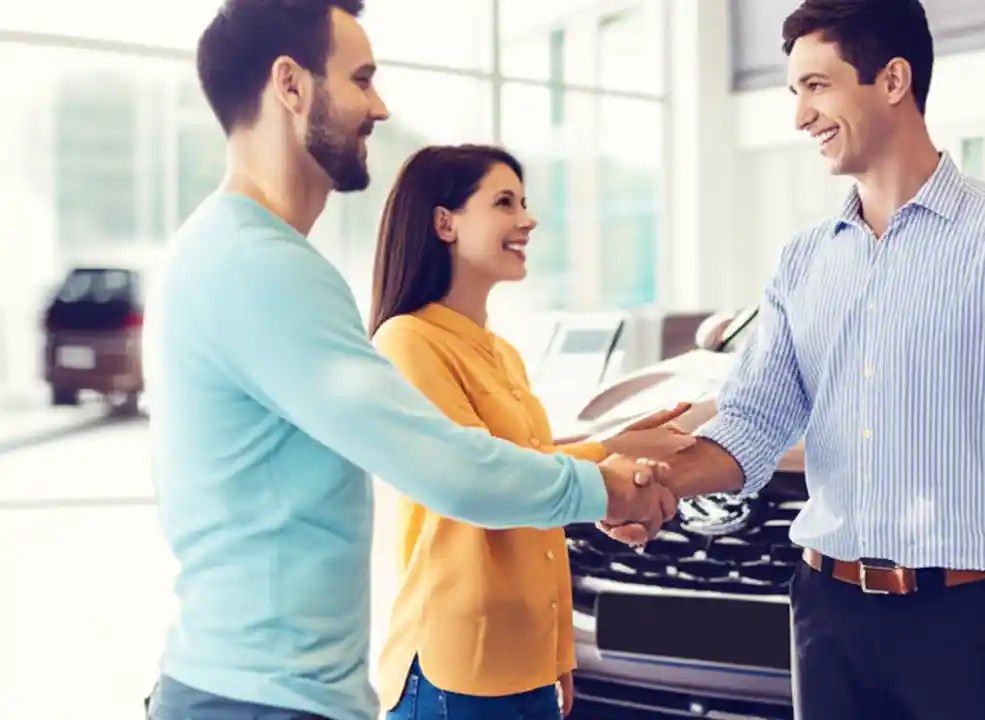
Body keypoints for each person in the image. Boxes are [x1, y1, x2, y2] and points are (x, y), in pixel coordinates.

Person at [142, 3, 673, 720]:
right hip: (260, 702)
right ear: (291, 85)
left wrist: (608, 458)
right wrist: (606, 488)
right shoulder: (257, 265)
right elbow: (448, 466)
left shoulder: (237, 253)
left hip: (262, 694)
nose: (379, 107)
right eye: (361, 79)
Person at [603, 1, 985, 719]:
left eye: (816, 86)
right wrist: (655, 487)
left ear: (892, 80)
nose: (799, 116)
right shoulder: (804, 260)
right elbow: (753, 423)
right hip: (827, 619)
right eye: (794, 92)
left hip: (966, 627)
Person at [366, 144, 695, 720]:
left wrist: (617, 447)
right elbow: (486, 480)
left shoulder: (504, 355)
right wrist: (608, 471)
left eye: (524, 201)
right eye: (504, 202)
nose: (528, 219)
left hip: (529, 665)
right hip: (453, 670)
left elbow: (529, 467)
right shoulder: (407, 341)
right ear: (445, 222)